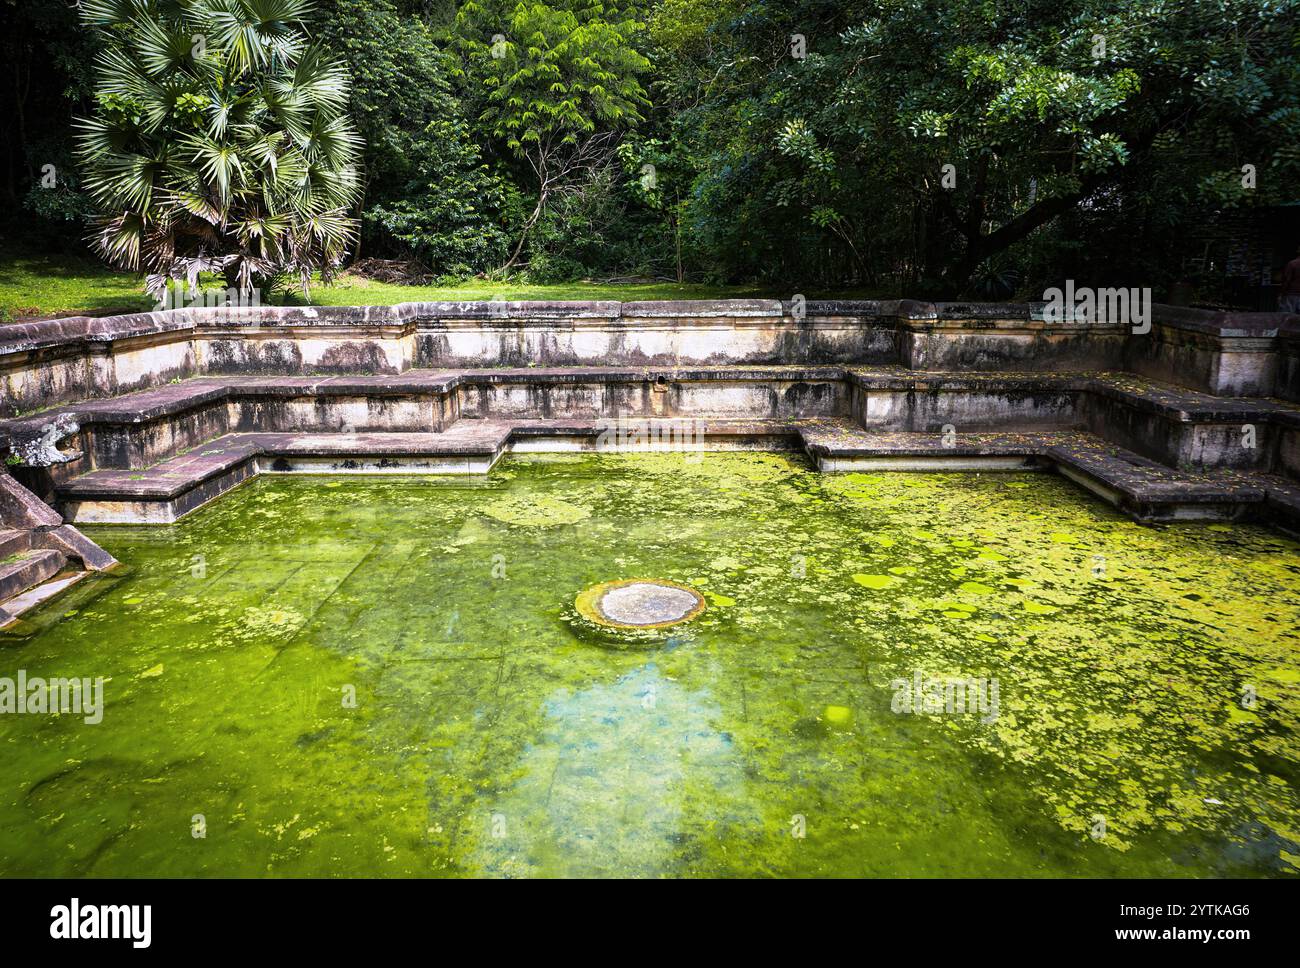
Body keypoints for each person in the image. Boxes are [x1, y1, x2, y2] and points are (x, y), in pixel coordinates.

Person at [1281, 245, 1300, 313]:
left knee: (1289, 316)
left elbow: (1287, 280)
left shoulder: (1292, 264)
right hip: (1294, 294)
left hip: (1293, 294)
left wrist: (1282, 293)